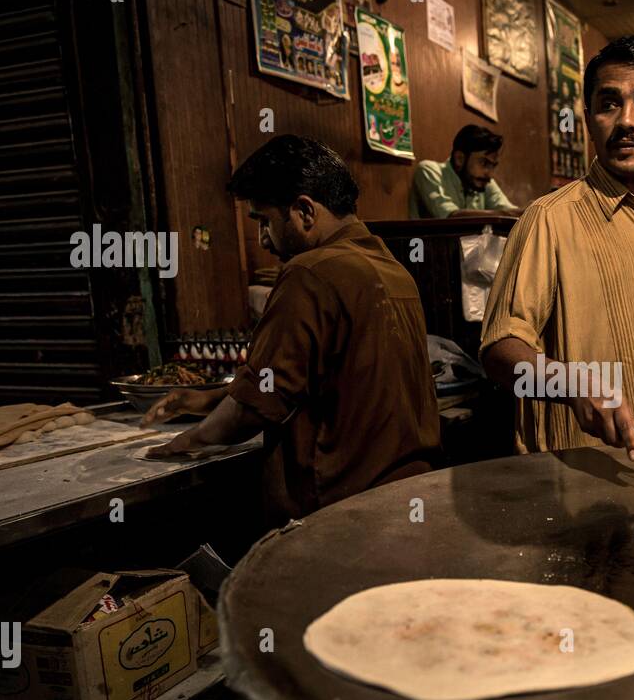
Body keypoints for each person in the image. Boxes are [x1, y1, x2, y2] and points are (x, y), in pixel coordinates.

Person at [143, 135, 442, 524]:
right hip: (407, 497)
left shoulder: (310, 272)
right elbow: (318, 379)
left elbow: (254, 410)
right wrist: (211, 399)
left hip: (341, 515)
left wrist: (185, 443)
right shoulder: (391, 269)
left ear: (303, 211)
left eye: (264, 221)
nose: (263, 239)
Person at [480, 35, 634, 458]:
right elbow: (498, 355)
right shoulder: (549, 219)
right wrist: (569, 384)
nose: (626, 121)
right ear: (588, 121)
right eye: (609, 104)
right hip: (586, 488)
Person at [409, 125, 520, 218]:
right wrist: (505, 214)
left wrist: (529, 212)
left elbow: (510, 211)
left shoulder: (482, 181)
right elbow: (451, 217)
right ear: (460, 159)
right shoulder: (429, 171)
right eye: (484, 163)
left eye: (493, 166)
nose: (490, 173)